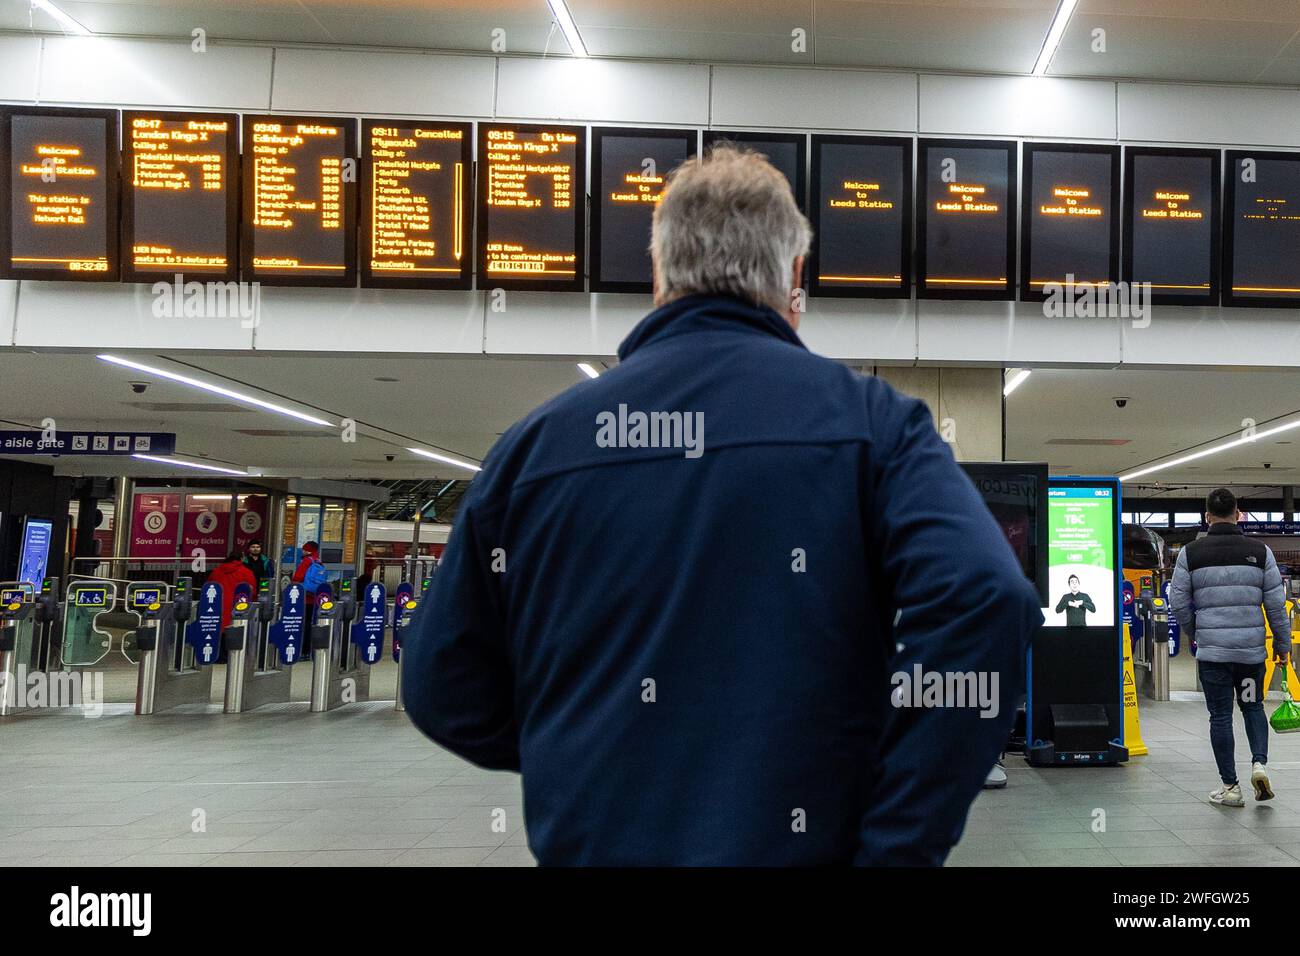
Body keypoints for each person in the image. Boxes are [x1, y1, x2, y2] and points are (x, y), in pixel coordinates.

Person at [403, 147, 1044, 866]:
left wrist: (581, 750)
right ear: (795, 278)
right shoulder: (874, 426)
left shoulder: (532, 452)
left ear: (659, 273)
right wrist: (896, 840)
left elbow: (439, 687)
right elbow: (988, 597)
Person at [1169, 488, 1290, 807]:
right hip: (1250, 656)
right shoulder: (1260, 551)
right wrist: (1282, 644)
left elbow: (1178, 601)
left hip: (1214, 657)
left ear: (1207, 517)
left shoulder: (1191, 553)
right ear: (1239, 514)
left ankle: (1231, 787)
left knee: (1220, 716)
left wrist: (1197, 632)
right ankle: (1259, 764)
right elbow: (1277, 605)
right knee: (1252, 706)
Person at [207, 551, 257, 630]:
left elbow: (208, 588)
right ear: (241, 558)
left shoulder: (216, 572)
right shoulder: (247, 573)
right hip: (238, 612)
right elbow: (252, 594)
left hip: (216, 611)